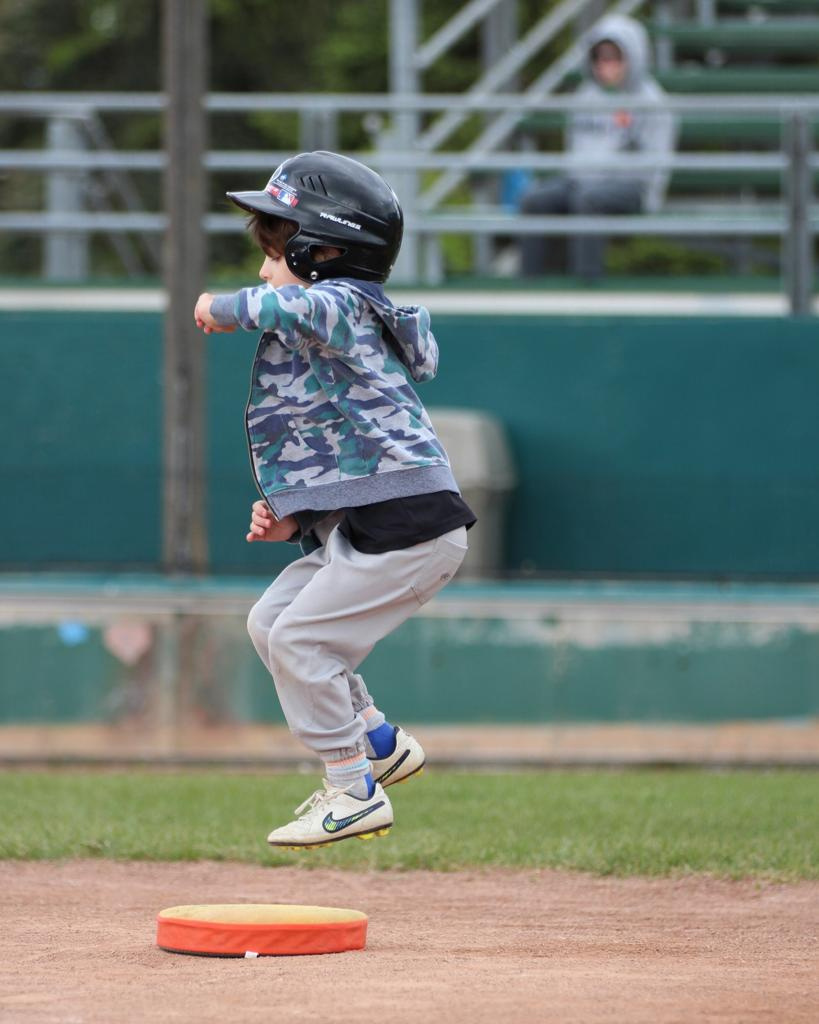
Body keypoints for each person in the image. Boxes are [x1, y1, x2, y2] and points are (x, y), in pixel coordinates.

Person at [193, 151, 476, 850]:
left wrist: (225, 306)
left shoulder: (343, 304)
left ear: (321, 252)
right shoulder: (333, 326)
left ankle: (352, 789)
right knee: (273, 621)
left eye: (275, 254)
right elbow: (349, 443)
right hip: (376, 523)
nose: (264, 271)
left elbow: (298, 301)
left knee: (302, 640)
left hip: (409, 525)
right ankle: (376, 740)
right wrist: (299, 514)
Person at [519, 14, 676, 281]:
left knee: (588, 200)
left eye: (614, 58)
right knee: (534, 199)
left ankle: (586, 284)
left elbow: (655, 164)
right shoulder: (585, 96)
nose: (606, 66)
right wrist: (581, 178)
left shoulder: (652, 101)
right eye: (600, 58)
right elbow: (576, 150)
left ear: (632, 58)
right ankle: (531, 284)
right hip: (582, 181)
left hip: (632, 186)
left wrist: (634, 189)